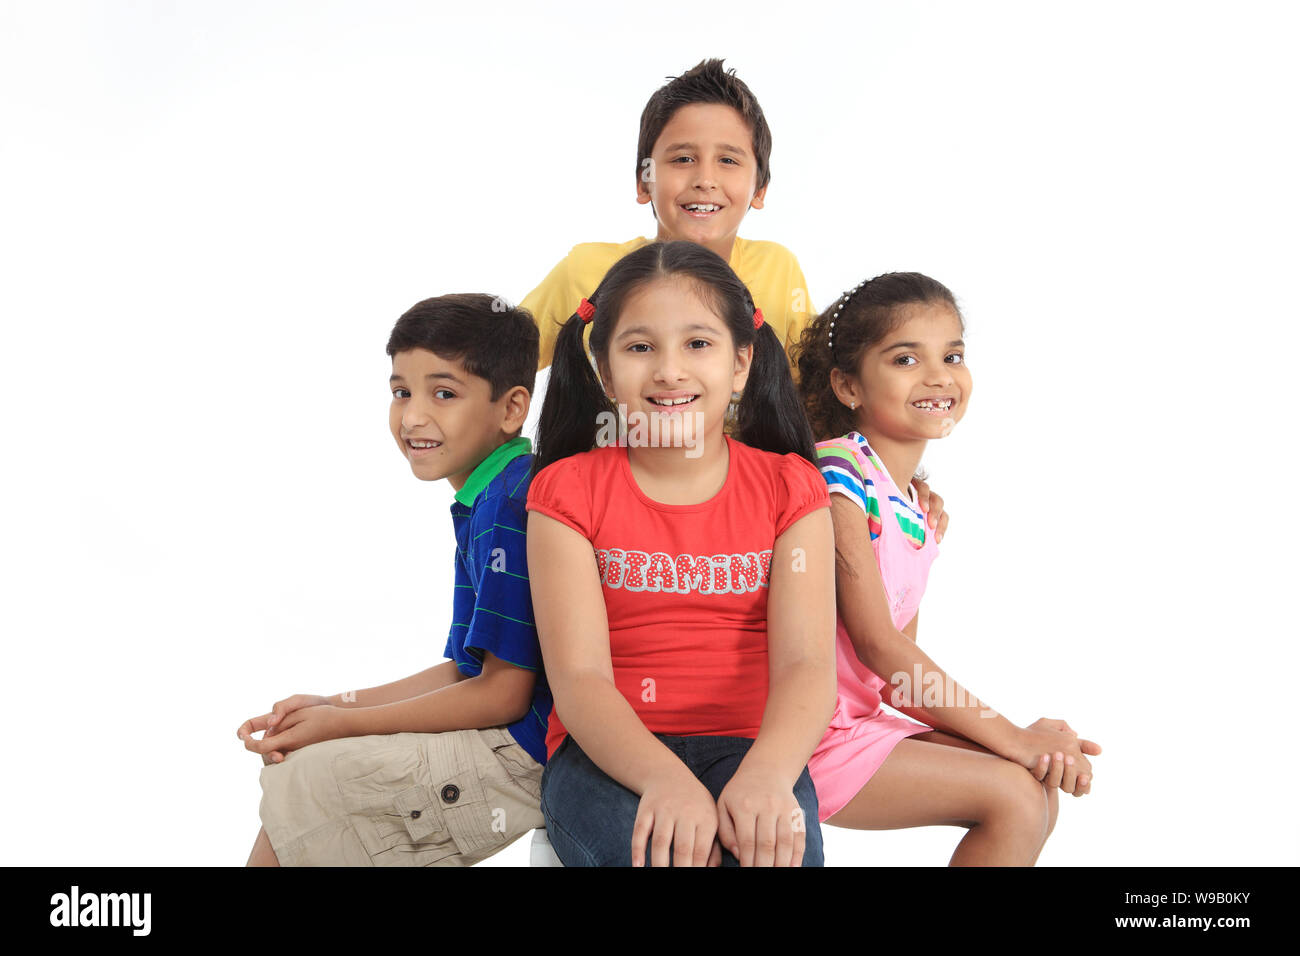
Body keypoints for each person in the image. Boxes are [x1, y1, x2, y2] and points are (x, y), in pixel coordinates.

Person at [521, 58, 952, 546]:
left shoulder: (777, 271)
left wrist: (885, 482)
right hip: (606, 517)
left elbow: (814, 400)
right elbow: (500, 365)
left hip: (742, 522)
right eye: (682, 158)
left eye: (728, 160)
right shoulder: (586, 270)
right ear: (644, 181)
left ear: (760, 187)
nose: (705, 178)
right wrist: (499, 474)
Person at [525, 240, 837, 866]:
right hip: (609, 754)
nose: (669, 370)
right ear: (606, 373)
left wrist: (770, 774)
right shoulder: (565, 490)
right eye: (640, 347)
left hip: (753, 748)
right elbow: (581, 678)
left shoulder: (791, 486)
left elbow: (807, 662)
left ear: (741, 364)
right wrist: (663, 779)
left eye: (698, 344)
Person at [790, 272, 1102, 865]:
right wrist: (1010, 735)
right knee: (1013, 792)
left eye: (952, 354)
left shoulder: (911, 506)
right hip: (799, 736)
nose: (938, 375)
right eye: (906, 358)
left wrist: (1020, 742)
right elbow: (880, 646)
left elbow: (893, 683)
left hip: (854, 721)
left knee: (1033, 783)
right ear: (847, 385)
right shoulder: (836, 477)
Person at [236, 293, 553, 867]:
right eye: (400, 391)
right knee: (308, 773)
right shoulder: (487, 496)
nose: (411, 417)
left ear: (510, 409)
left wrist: (344, 724)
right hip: (508, 739)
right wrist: (332, 705)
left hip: (525, 755)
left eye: (444, 393)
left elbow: (504, 692)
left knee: (311, 781)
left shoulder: (509, 505)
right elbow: (466, 667)